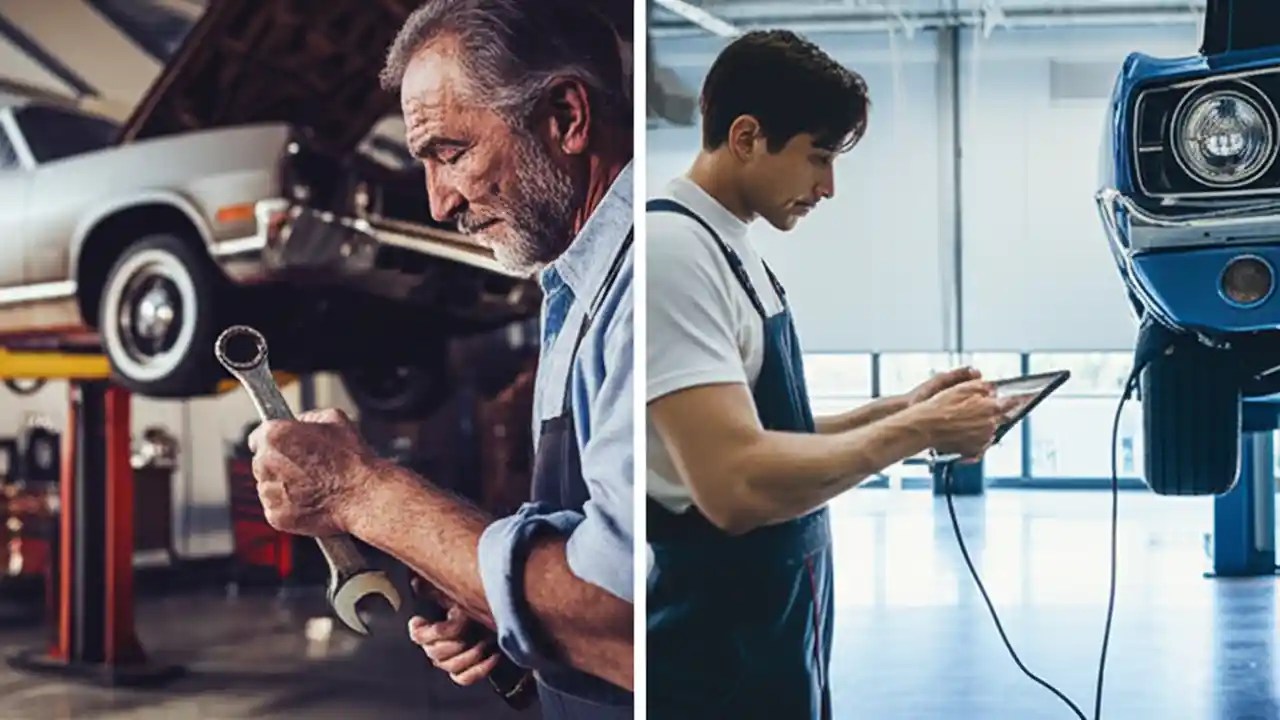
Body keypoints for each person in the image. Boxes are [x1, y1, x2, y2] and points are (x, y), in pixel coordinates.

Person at [246, 1, 634, 717]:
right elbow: (590, 563)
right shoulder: (575, 290)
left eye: (450, 154)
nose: (437, 202)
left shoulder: (647, 290)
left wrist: (359, 491)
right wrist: (514, 619)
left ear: (567, 118)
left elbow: (625, 617)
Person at [645, 29, 1018, 719]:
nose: (829, 187)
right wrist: (915, 431)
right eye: (817, 157)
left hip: (776, 633)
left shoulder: (731, 248)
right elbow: (734, 482)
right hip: (715, 657)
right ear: (748, 136)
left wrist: (904, 408)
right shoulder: (673, 254)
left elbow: (767, 433)